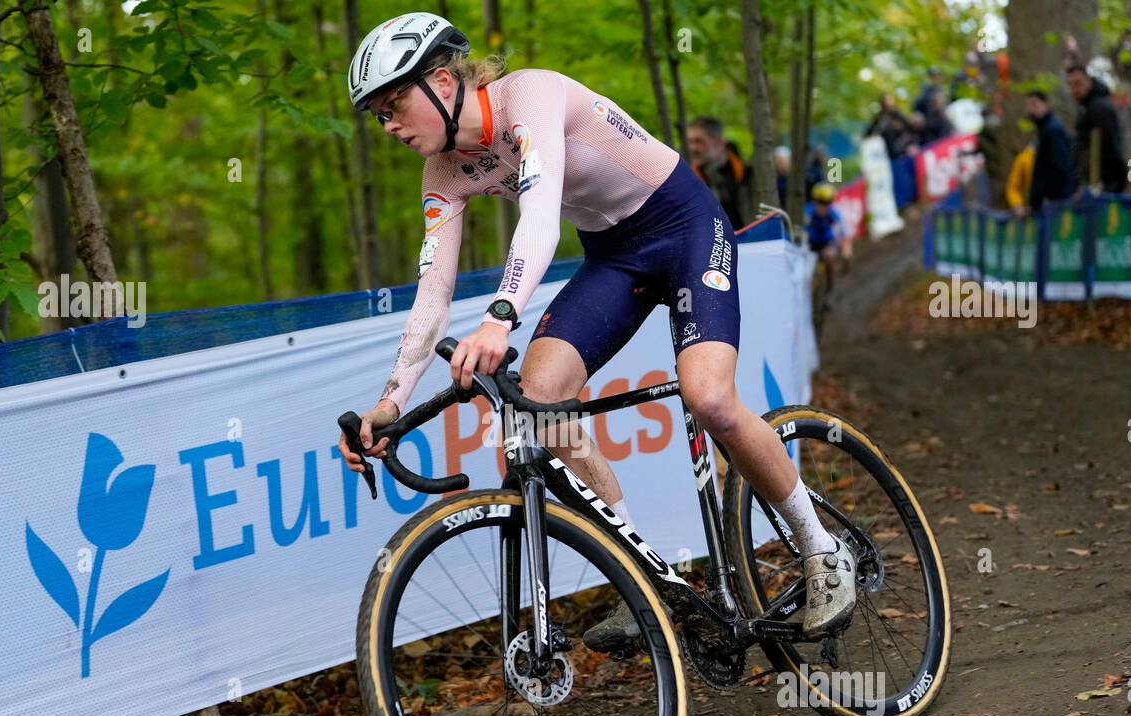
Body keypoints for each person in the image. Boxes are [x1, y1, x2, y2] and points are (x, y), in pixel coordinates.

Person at [337, 12, 858, 648]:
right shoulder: (443, 173)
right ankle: (649, 586)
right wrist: (390, 401)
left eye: (392, 105)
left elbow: (538, 216)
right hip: (615, 256)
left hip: (686, 226)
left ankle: (821, 548)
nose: (387, 125)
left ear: (443, 83)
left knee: (710, 398)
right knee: (537, 405)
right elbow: (433, 295)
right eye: (376, 115)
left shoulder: (530, 95)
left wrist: (501, 316)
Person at [686, 116, 755, 229]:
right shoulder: (690, 178)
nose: (693, 148)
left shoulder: (746, 174)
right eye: (690, 142)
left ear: (718, 141)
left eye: (699, 141)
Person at [1066, 65, 1125, 195]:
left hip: (1102, 185)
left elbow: (1112, 148)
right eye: (1070, 85)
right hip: (1094, 184)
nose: (1074, 90)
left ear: (1089, 81)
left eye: (1078, 84)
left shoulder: (1100, 108)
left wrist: (1110, 184)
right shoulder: (1086, 108)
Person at [1023, 90, 1074, 212]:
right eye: (1028, 105)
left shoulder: (1052, 131)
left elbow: (1060, 166)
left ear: (1045, 104)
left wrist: (1044, 195)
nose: (1031, 110)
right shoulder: (1045, 130)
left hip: (1055, 202)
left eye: (1034, 105)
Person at [804, 183, 852, 271]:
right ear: (815, 201)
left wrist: (846, 254)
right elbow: (802, 230)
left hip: (826, 241)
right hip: (811, 241)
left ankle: (829, 280)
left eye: (827, 203)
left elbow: (844, 232)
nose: (823, 207)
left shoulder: (833, 212)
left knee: (829, 257)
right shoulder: (808, 211)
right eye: (820, 202)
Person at [864, 93, 918, 159]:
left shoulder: (898, 115)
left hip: (904, 151)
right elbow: (869, 134)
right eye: (886, 101)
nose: (888, 103)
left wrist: (910, 144)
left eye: (889, 100)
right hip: (886, 155)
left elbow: (910, 130)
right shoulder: (879, 119)